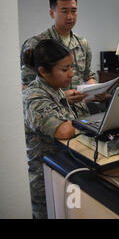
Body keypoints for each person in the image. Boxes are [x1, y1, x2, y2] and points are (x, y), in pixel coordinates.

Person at [22, 39, 79, 219]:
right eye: (64, 69)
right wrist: (89, 124)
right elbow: (62, 131)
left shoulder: (54, 88)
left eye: (71, 67)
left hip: (62, 170)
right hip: (44, 180)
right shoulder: (34, 96)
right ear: (43, 71)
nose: (71, 74)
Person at [20, 0, 99, 117]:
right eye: (64, 11)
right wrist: (60, 97)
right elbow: (26, 88)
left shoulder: (82, 43)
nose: (70, 16)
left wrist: (95, 90)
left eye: (73, 11)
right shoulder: (36, 44)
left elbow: (87, 76)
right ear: (52, 13)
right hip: (50, 115)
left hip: (81, 114)